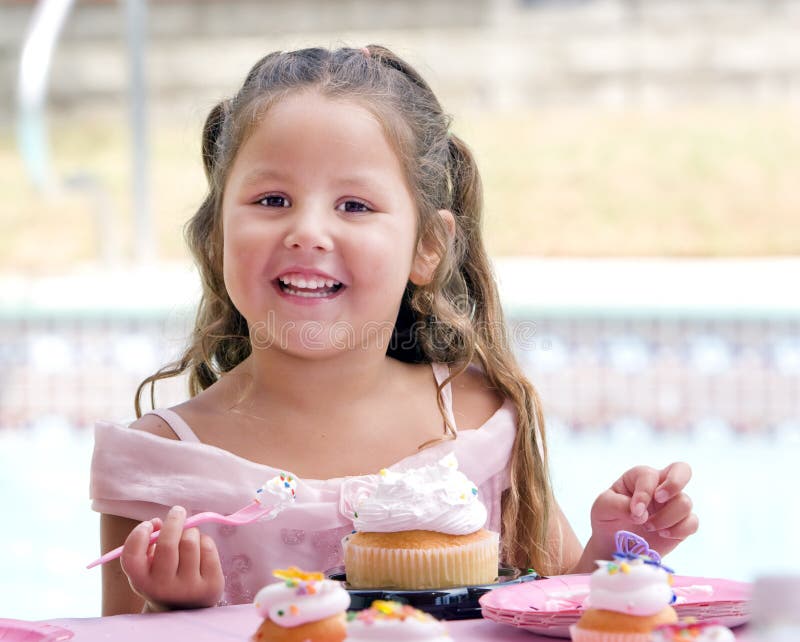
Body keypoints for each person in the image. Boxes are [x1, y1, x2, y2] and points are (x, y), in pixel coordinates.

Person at [90, 45, 698, 616]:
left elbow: (553, 613)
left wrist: (620, 550)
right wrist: (171, 613)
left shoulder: (477, 421)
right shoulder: (161, 466)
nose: (307, 230)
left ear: (427, 247)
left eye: (354, 205)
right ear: (219, 232)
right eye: (272, 199)